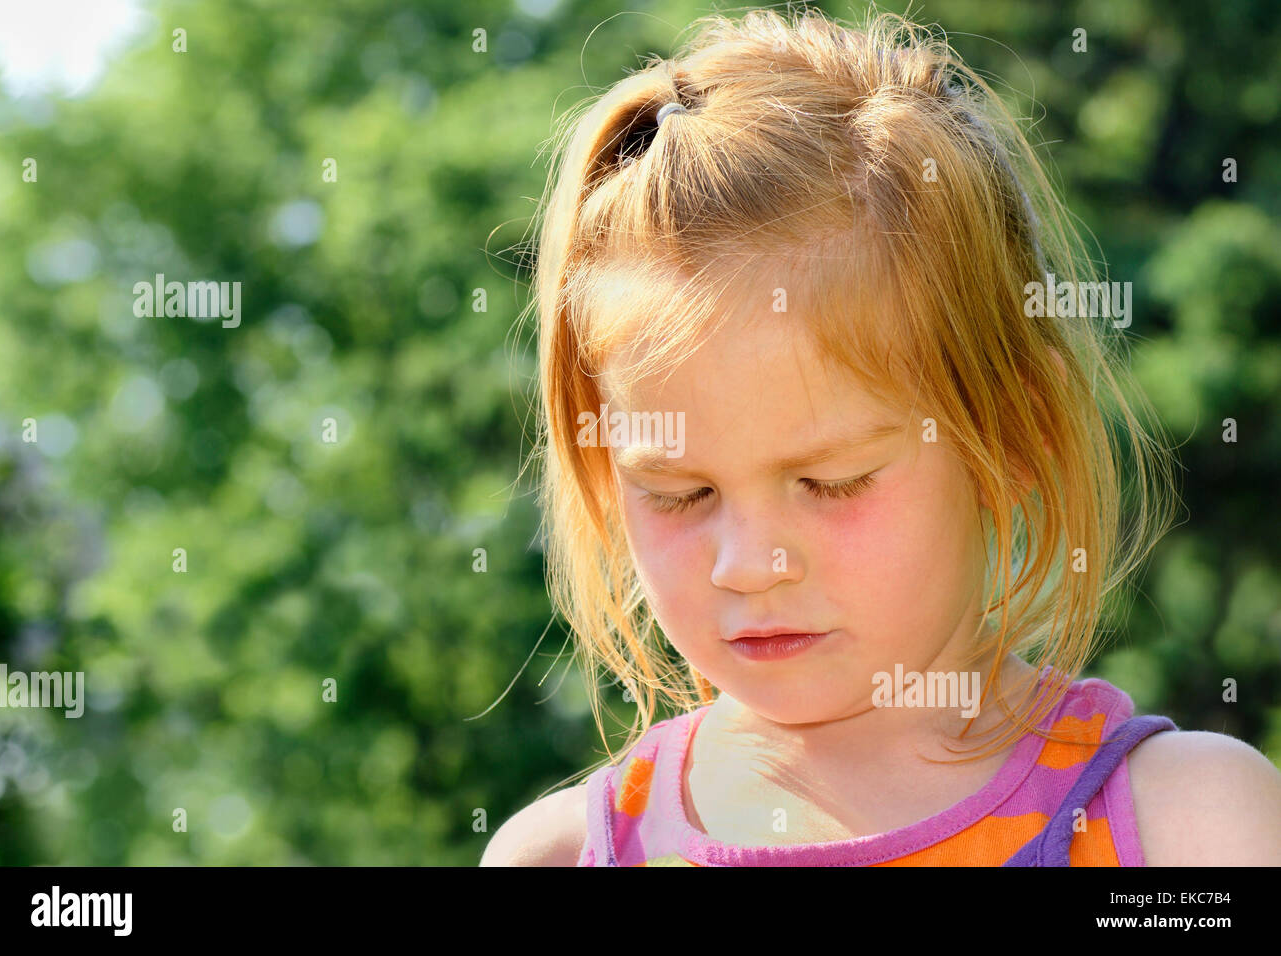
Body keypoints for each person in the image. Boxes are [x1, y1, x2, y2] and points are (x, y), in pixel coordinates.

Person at [481, 7, 1281, 866]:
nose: (747, 564)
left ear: (1016, 429)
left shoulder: (1184, 827)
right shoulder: (564, 853)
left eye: (832, 480)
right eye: (681, 493)